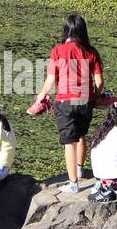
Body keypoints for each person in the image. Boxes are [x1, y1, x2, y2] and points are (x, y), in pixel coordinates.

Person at [31, 13, 103, 193]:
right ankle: (79, 169)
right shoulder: (91, 52)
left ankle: (73, 184)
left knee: (69, 142)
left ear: (66, 31)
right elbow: (99, 82)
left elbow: (50, 81)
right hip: (85, 101)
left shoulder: (57, 51)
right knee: (81, 135)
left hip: (65, 101)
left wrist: (40, 97)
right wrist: (95, 95)